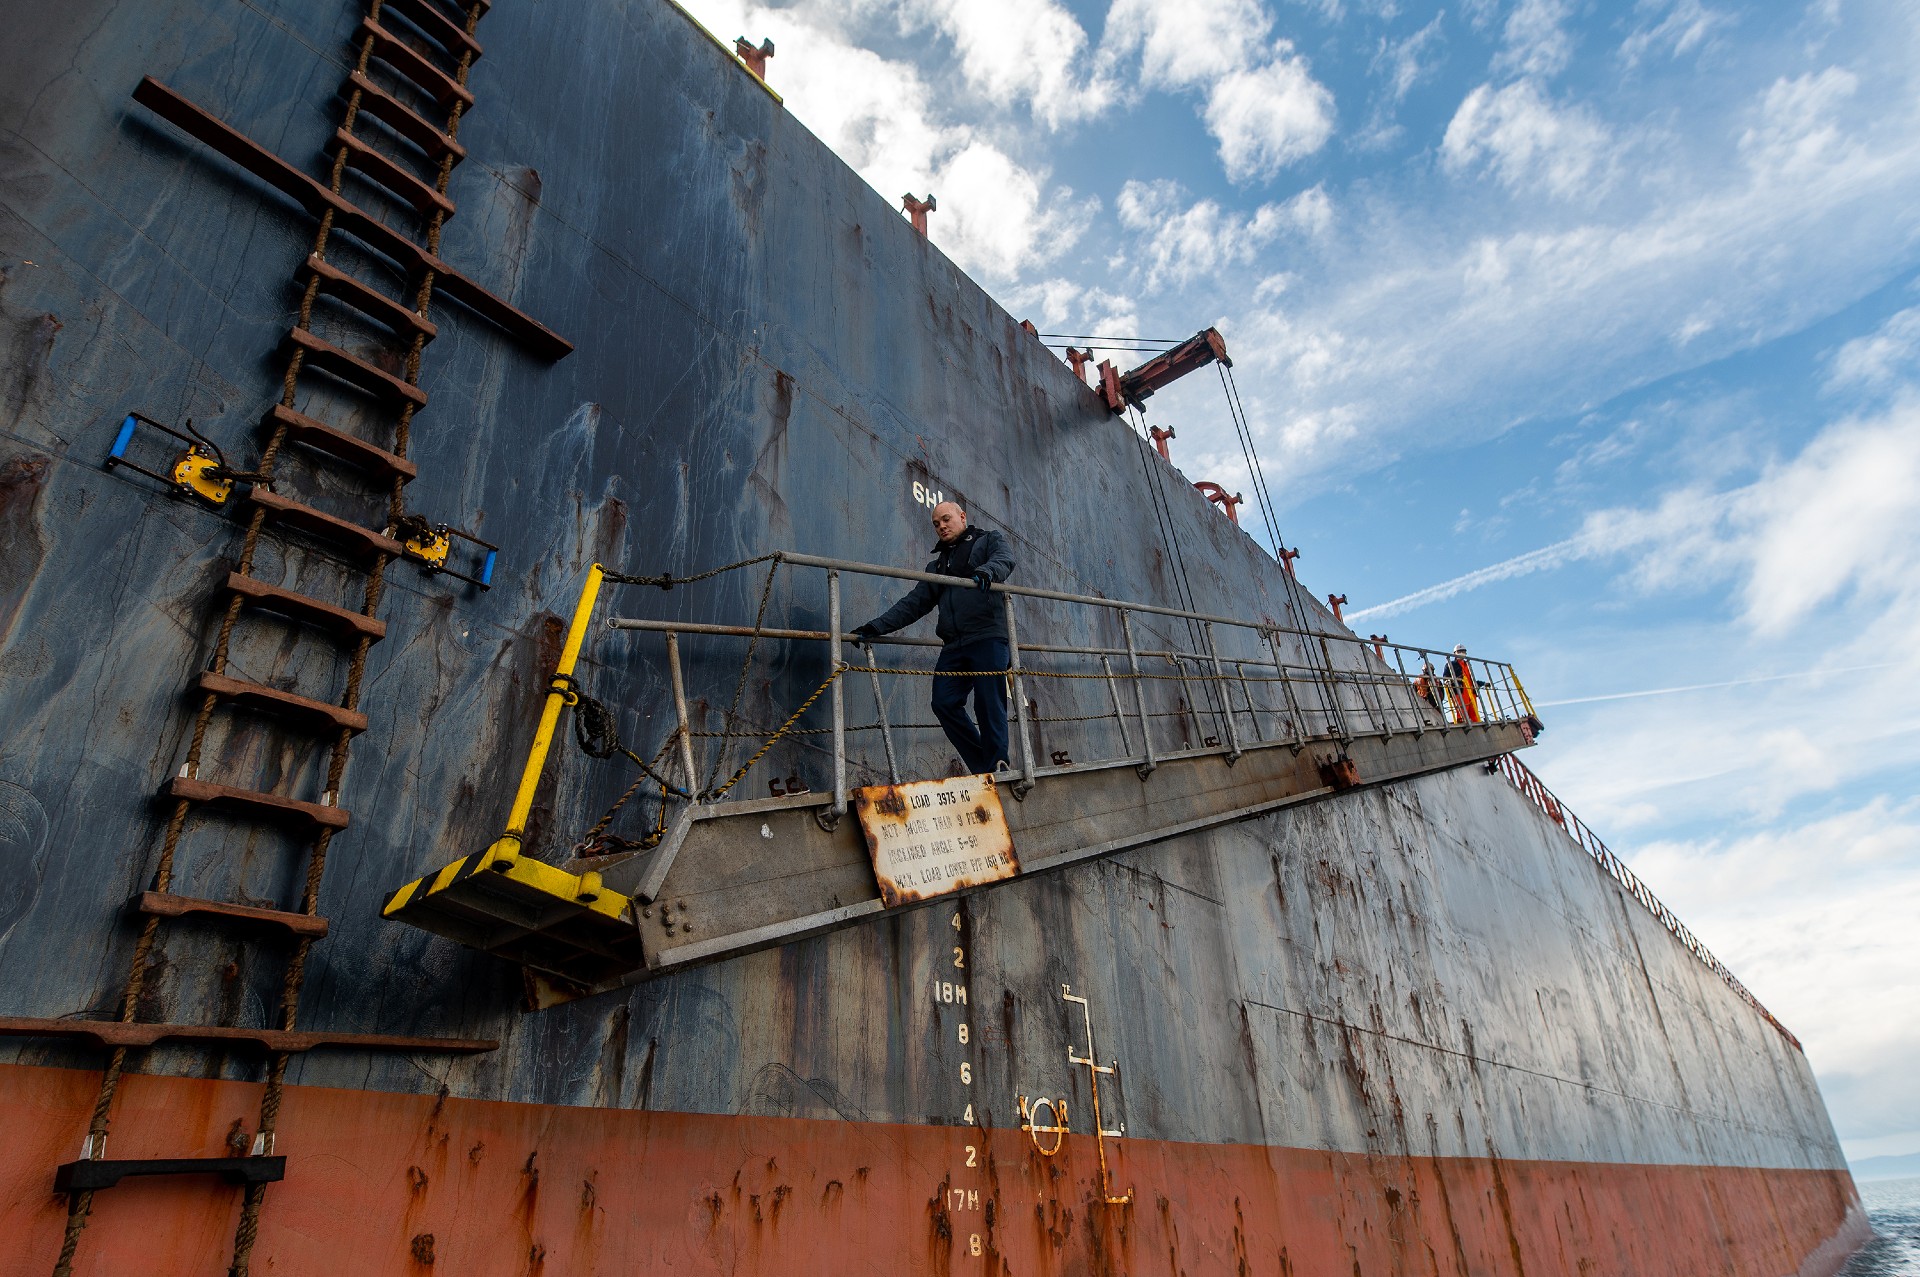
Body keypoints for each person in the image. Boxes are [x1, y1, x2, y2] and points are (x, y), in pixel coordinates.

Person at [852, 502, 1016, 776]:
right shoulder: (938, 565)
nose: (941, 526)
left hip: (987, 637)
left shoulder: (989, 540)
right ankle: (983, 765)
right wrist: (875, 627)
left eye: (946, 519)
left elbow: (1004, 559)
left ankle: (998, 764)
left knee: (988, 702)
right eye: (936, 523)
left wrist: (988, 572)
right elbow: (914, 604)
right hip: (954, 645)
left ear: (962, 517)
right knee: (943, 702)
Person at [1444, 643, 1481, 724]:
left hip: (1471, 691)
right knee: (1462, 713)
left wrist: (1477, 684)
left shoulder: (1467, 664)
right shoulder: (1450, 664)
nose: (1461, 653)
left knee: (1474, 712)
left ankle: (1477, 724)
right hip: (1460, 691)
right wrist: (1453, 681)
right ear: (1455, 653)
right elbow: (1445, 678)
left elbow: (1470, 678)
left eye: (1463, 651)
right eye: (1459, 651)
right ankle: (1463, 725)